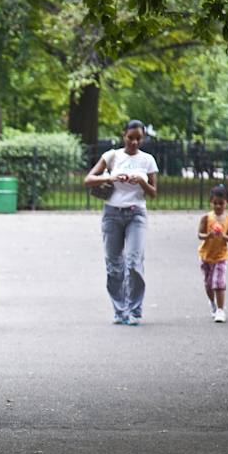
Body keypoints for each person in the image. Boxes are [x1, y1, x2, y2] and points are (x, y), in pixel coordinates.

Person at [84, 119, 159, 325]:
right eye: (130, 137)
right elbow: (88, 179)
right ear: (123, 135)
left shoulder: (148, 160)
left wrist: (141, 181)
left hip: (136, 215)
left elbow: (153, 193)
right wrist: (112, 178)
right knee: (114, 265)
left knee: (134, 262)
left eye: (139, 139)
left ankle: (135, 310)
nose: (134, 142)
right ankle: (120, 310)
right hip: (112, 214)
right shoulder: (112, 156)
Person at [197, 184, 228, 323]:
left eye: (221, 203)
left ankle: (220, 310)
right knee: (208, 284)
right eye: (215, 203)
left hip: (221, 256)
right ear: (211, 202)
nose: (218, 206)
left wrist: (223, 236)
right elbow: (200, 235)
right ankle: (212, 304)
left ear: (227, 202)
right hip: (206, 255)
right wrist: (209, 235)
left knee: (219, 282)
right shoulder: (206, 218)